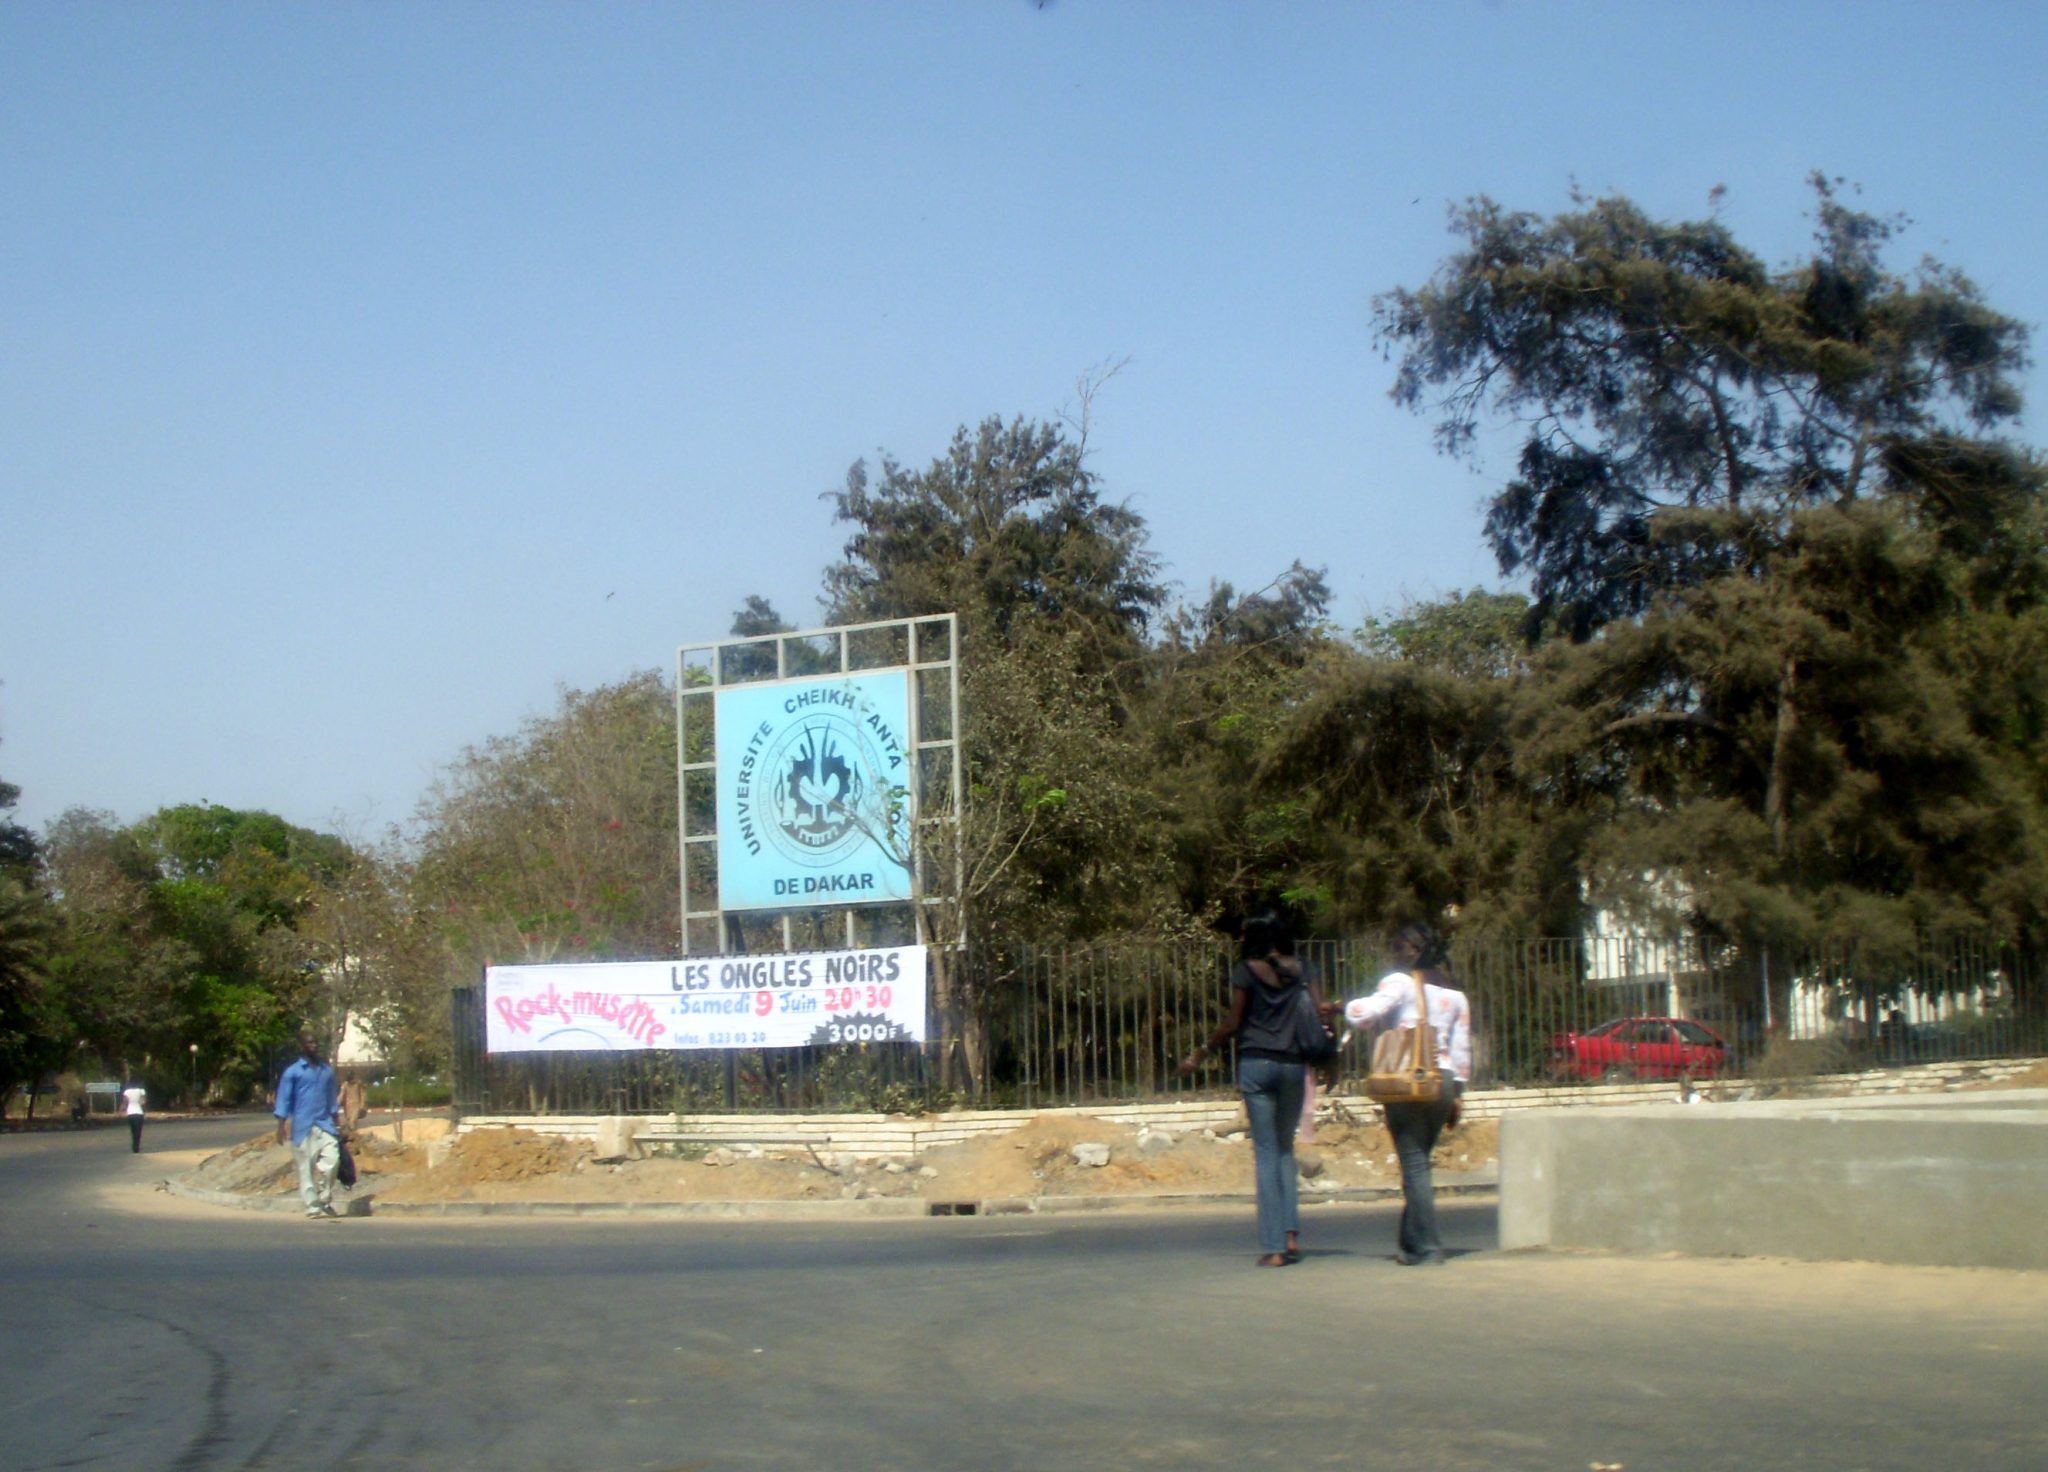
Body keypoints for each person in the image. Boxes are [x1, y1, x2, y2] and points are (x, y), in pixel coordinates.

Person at [1178, 913, 1333, 1267]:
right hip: (1294, 1065)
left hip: (1256, 1064)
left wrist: (1200, 1054)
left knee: (1264, 1152)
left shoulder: (1245, 971)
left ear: (1256, 938)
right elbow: (1322, 1013)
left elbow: (1233, 1022)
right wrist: (1331, 1059)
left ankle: (1273, 1247)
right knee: (1284, 1149)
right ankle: (1291, 1235)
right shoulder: (1303, 968)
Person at [1344, 921, 1472, 1265]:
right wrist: (1457, 1094)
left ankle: (1429, 1247)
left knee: (1414, 1166)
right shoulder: (1454, 992)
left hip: (1408, 1081)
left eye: (1398, 947)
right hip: (1443, 1082)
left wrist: (1342, 1006)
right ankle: (1410, 1243)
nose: (1393, 954)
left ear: (1414, 951)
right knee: (1419, 1163)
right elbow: (1461, 1053)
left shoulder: (1400, 982)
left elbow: (1363, 1015)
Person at [274, 1028, 345, 1219]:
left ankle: (324, 1198)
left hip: (325, 1125)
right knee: (305, 1168)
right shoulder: (293, 1072)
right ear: (302, 1046)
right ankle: (313, 1206)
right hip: (303, 1128)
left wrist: (337, 1122)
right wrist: (280, 1127)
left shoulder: (326, 1072)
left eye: (316, 1043)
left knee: (333, 1161)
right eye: (310, 1043)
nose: (314, 1046)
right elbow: (284, 1099)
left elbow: (332, 1099)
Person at [120, 1080, 147, 1153]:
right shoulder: (141, 1091)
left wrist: (122, 1110)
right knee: (138, 1131)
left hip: (130, 1113)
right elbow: (143, 1102)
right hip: (139, 1112)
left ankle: (134, 1146)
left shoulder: (127, 1092)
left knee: (133, 1130)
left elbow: (125, 1102)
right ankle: (136, 1146)